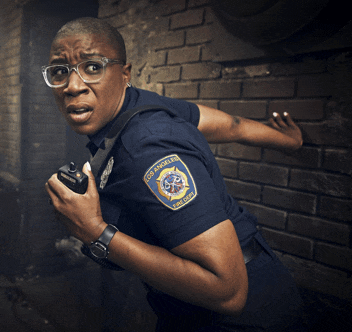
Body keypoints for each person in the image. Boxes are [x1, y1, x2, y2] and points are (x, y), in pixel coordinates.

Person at [44, 17, 305, 332]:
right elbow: (229, 126)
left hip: (236, 317)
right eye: (60, 72)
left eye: (93, 67)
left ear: (124, 74)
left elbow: (229, 292)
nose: (72, 86)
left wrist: (96, 233)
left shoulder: (146, 148)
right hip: (213, 301)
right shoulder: (139, 103)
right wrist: (288, 141)